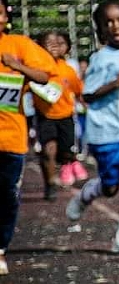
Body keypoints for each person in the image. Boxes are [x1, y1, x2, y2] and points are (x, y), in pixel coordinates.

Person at [66, 0, 119, 255]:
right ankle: (86, 195)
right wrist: (116, 83)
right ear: (101, 30)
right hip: (107, 133)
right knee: (111, 188)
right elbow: (88, 95)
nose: (116, 26)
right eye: (108, 23)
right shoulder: (100, 59)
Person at [0, 0, 55, 275]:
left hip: (11, 138)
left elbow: (45, 76)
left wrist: (17, 66)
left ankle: (0, 248)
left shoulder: (18, 45)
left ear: (6, 17)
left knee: (7, 196)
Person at [32, 31, 85, 199]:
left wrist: (87, 105)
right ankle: (50, 183)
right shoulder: (36, 68)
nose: (55, 46)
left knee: (66, 153)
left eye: (58, 43)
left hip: (66, 117)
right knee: (49, 151)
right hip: (45, 116)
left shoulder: (68, 70)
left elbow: (79, 91)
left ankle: (66, 163)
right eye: (50, 43)